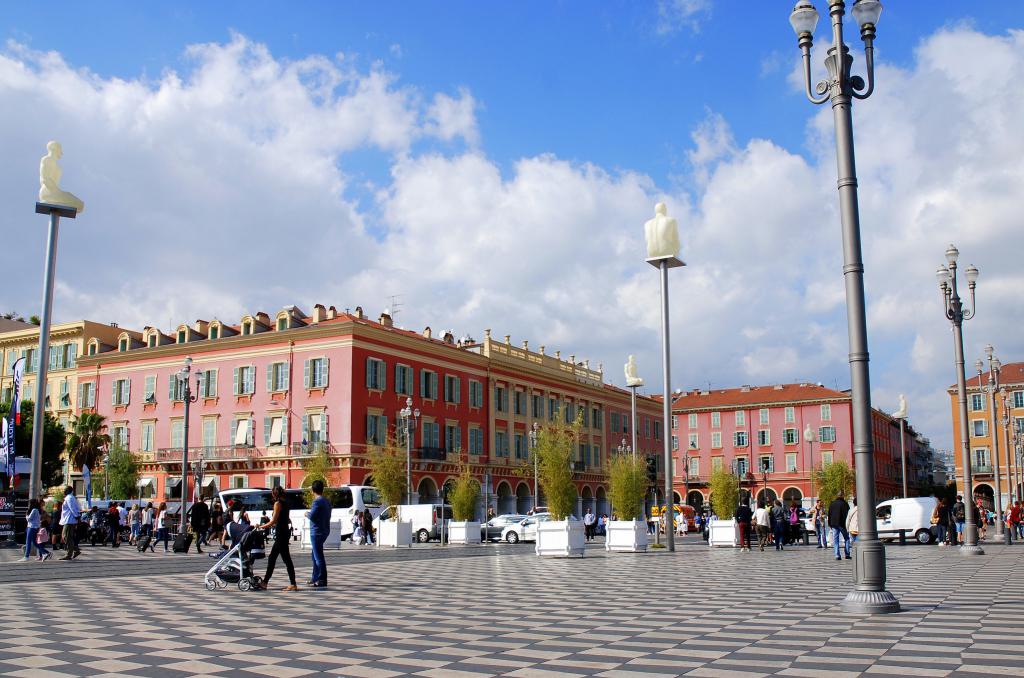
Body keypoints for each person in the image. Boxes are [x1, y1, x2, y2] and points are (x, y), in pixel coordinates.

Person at [256, 486, 297, 591]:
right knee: (282, 559)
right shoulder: (286, 503)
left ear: (274, 494)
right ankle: (292, 583)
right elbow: (284, 519)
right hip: (284, 532)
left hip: (281, 534)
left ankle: (266, 583)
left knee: (278, 559)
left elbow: (273, 521)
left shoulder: (277, 504)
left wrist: (260, 526)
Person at [305, 480, 331, 588]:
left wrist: (307, 513)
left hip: (316, 532)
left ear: (312, 490)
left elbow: (313, 516)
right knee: (314, 555)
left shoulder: (317, 501)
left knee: (318, 556)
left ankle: (322, 579)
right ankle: (315, 577)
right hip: (325, 530)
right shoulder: (326, 501)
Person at [58, 486, 81, 560]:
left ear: (69, 490)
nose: (64, 491)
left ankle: (69, 554)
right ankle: (75, 550)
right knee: (68, 537)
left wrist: (77, 516)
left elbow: (73, 508)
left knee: (66, 537)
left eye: (65, 490)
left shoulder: (69, 498)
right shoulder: (71, 497)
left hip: (69, 520)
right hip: (69, 520)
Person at [828, 492, 851, 560]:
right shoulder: (844, 504)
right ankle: (847, 554)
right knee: (846, 538)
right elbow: (847, 515)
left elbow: (829, 514)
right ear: (842, 496)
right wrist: (847, 524)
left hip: (834, 524)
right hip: (842, 524)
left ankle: (837, 555)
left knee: (836, 540)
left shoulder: (832, 504)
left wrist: (830, 523)